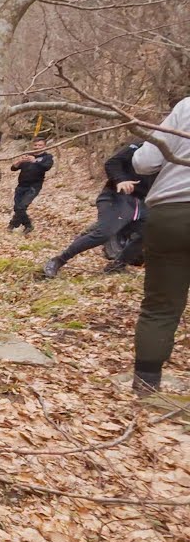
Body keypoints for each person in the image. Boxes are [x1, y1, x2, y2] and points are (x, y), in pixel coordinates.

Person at [131, 96, 190, 396]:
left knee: (160, 307)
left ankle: (145, 385)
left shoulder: (186, 107)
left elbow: (144, 162)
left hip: (173, 211)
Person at [42, 142, 154, 278]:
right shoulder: (142, 146)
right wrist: (121, 180)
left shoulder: (174, 158)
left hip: (142, 202)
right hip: (117, 195)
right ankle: (58, 260)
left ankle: (118, 265)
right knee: (104, 233)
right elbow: (112, 162)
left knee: (149, 232)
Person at [8, 137, 54, 233]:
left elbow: (47, 167)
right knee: (17, 207)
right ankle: (16, 224)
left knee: (22, 207)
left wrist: (35, 161)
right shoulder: (28, 155)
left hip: (33, 186)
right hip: (21, 185)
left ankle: (21, 225)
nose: (37, 147)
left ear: (45, 146)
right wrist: (20, 161)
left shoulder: (47, 157)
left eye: (40, 145)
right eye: (35, 145)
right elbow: (13, 168)